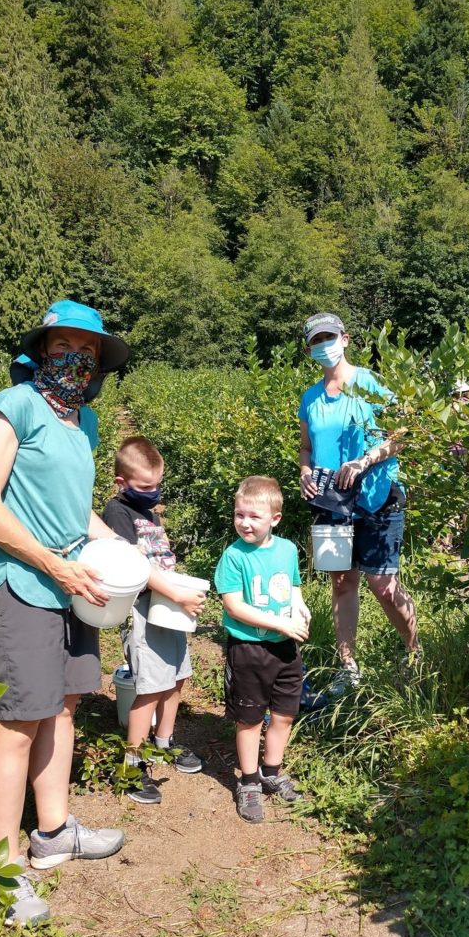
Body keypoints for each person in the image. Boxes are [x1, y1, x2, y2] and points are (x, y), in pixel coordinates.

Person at [0, 299, 129, 926]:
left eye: (88, 352)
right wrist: (56, 566)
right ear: (42, 349)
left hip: (72, 588)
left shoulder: (82, 420)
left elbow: (74, 514)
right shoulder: (19, 406)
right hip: (21, 588)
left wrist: (130, 558)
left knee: (63, 705)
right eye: (66, 346)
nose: (77, 359)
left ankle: (54, 830)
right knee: (17, 721)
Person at [298, 312, 420, 696]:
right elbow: (306, 448)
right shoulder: (310, 398)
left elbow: (401, 435)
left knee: (382, 583)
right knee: (342, 581)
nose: (324, 346)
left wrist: (365, 460)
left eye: (329, 337)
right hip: (331, 502)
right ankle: (347, 666)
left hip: (378, 496)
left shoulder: (371, 384)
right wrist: (304, 472)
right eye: (316, 341)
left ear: (345, 338)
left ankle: (415, 651)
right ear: (309, 349)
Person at [102, 436, 207, 804]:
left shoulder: (150, 513)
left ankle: (165, 741)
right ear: (121, 483)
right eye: (145, 486)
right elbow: (131, 564)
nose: (153, 492)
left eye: (157, 485)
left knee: (177, 678)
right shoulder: (116, 513)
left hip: (167, 605)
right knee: (149, 687)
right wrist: (176, 593)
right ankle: (132, 764)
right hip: (143, 610)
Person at [214, 476, 311, 824]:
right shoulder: (234, 557)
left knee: (284, 714)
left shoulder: (285, 549)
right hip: (249, 649)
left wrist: (299, 607)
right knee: (250, 717)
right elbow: (234, 607)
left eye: (254, 517)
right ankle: (250, 780)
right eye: (239, 515)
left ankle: (272, 770)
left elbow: (294, 584)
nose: (245, 523)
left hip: (285, 649)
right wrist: (280, 624)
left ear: (275, 519)